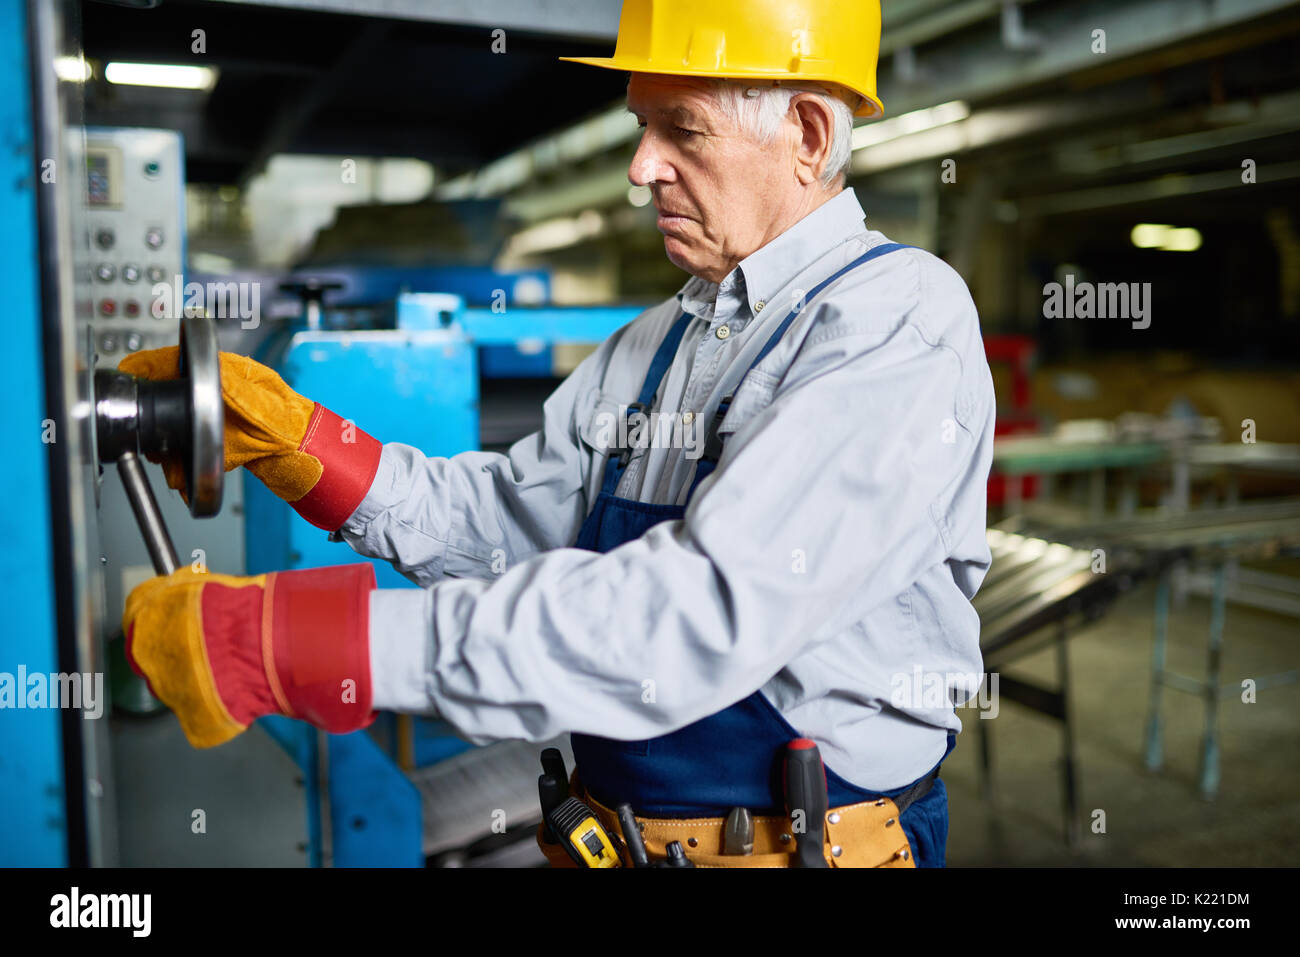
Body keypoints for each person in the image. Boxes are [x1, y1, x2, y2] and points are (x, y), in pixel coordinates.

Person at [122, 0, 995, 868]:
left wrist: (290, 641)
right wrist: (309, 448)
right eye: (642, 126)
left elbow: (690, 615)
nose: (641, 165)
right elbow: (508, 527)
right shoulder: (657, 344)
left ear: (807, 134)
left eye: (681, 129)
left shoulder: (895, 321)